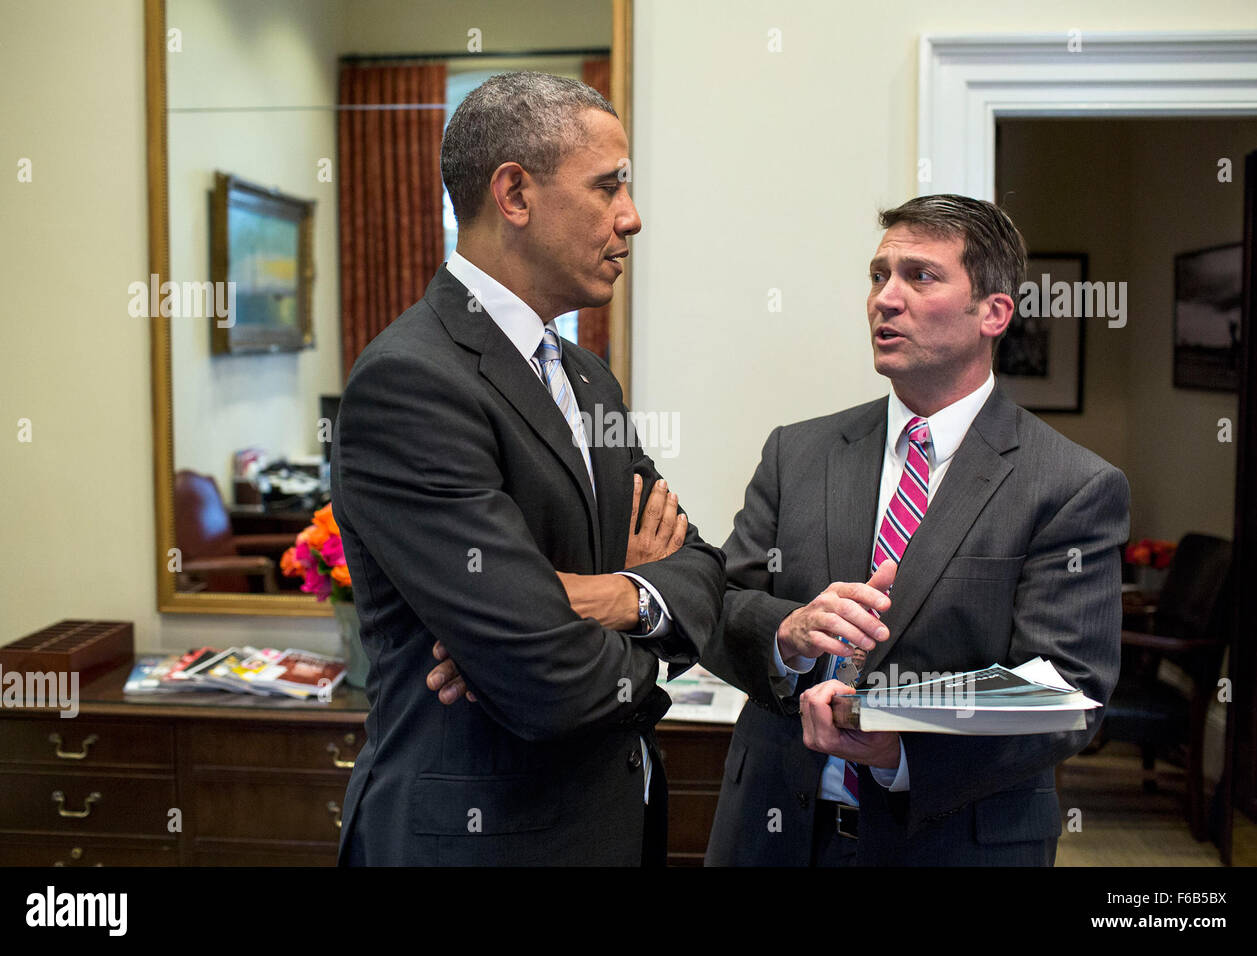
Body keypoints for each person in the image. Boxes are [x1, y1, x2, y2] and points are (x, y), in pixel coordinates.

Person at [331, 72, 724, 867]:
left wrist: (606, 597)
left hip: (611, 826)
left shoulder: (587, 376)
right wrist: (636, 617)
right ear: (514, 192)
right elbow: (544, 677)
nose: (631, 217)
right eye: (609, 186)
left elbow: (703, 571)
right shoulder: (410, 381)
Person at [702, 194, 1129, 866]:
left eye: (920, 277)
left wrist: (900, 743)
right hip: (775, 830)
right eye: (878, 276)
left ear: (993, 312)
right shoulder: (798, 452)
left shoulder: (1071, 484)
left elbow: (1064, 691)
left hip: (951, 839)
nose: (885, 299)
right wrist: (785, 635)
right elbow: (717, 605)